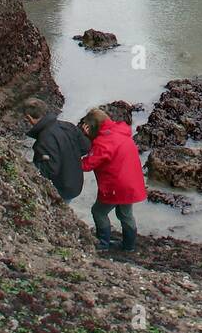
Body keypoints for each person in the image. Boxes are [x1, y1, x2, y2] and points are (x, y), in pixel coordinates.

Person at [78, 105, 146, 253]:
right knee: (125, 214)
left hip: (117, 185)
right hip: (131, 182)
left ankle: (103, 243)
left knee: (98, 211)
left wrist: (74, 157)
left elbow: (87, 164)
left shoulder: (103, 142)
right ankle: (129, 246)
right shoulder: (120, 131)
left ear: (90, 127)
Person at [25, 99, 88, 203]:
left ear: (29, 118)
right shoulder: (69, 126)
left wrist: (29, 167)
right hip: (76, 183)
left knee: (56, 213)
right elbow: (86, 147)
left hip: (62, 189)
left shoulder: (43, 140)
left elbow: (49, 170)